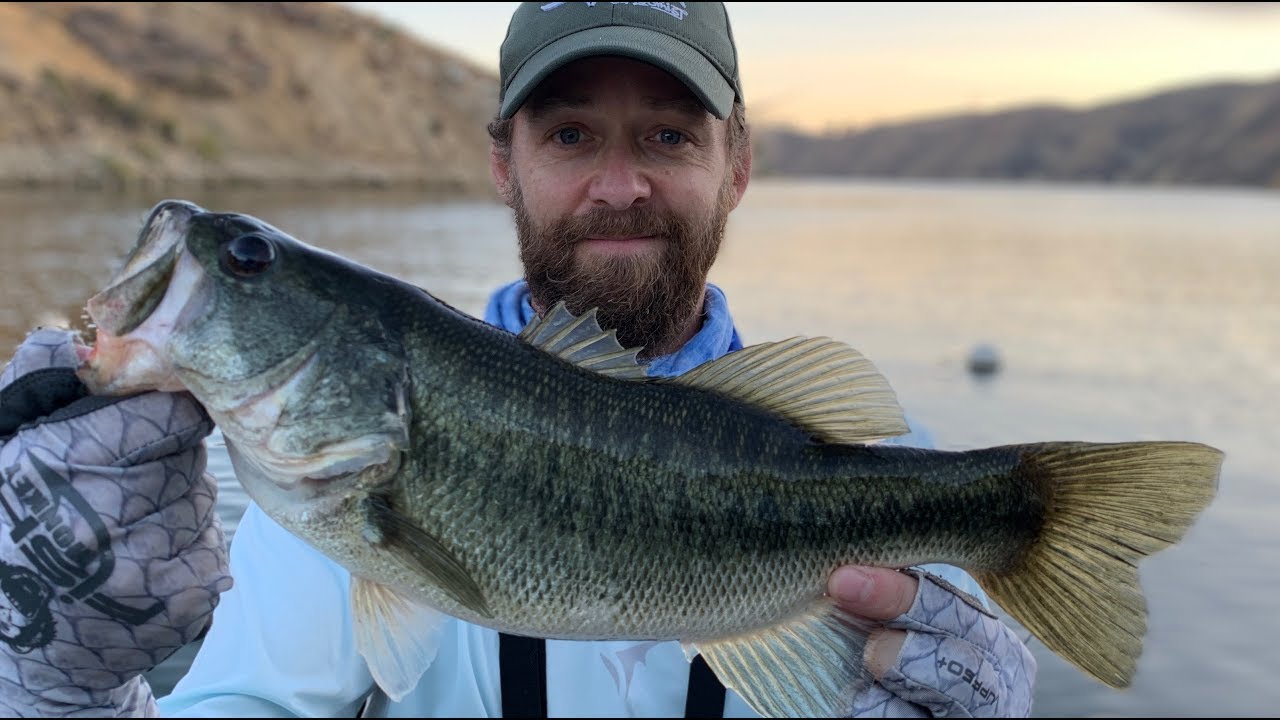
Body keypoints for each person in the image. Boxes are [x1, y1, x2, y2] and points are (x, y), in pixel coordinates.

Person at [0, 2, 1036, 717]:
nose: (620, 185)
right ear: (506, 162)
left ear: (738, 165)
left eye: (669, 137)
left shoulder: (881, 465)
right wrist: (58, 688)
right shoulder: (324, 510)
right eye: (573, 135)